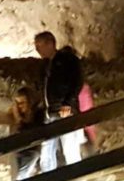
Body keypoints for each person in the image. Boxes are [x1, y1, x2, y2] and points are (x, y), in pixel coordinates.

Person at [35, 31, 86, 173]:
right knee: (47, 150)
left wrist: (68, 105)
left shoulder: (67, 60)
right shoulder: (47, 65)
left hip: (64, 111)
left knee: (70, 148)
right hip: (51, 112)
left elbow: (77, 81)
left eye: (39, 45)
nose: (37, 50)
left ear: (50, 43)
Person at [9, 86, 45, 179]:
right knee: (16, 175)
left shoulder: (38, 114)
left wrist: (19, 120)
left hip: (31, 150)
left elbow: (32, 131)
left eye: (22, 102)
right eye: (17, 103)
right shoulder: (18, 114)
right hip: (18, 149)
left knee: (21, 176)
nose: (20, 106)